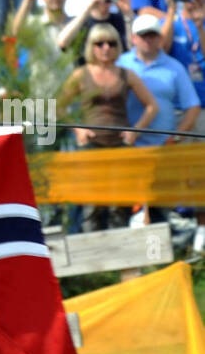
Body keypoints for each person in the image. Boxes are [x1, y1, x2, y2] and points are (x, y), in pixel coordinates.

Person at [57, 22, 157, 231]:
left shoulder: (126, 74)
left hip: (120, 145)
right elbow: (58, 106)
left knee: (119, 204)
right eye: (99, 43)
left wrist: (134, 132)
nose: (105, 48)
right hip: (91, 147)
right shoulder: (80, 74)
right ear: (91, 47)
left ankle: (119, 259)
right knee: (91, 205)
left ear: (117, 46)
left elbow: (152, 106)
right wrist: (78, 129)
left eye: (111, 43)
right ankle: (90, 256)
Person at [116, 13, 200, 145]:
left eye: (152, 35)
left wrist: (176, 138)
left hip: (163, 145)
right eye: (143, 35)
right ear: (134, 38)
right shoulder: (121, 63)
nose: (148, 39)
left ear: (160, 38)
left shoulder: (174, 67)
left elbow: (193, 106)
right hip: (126, 143)